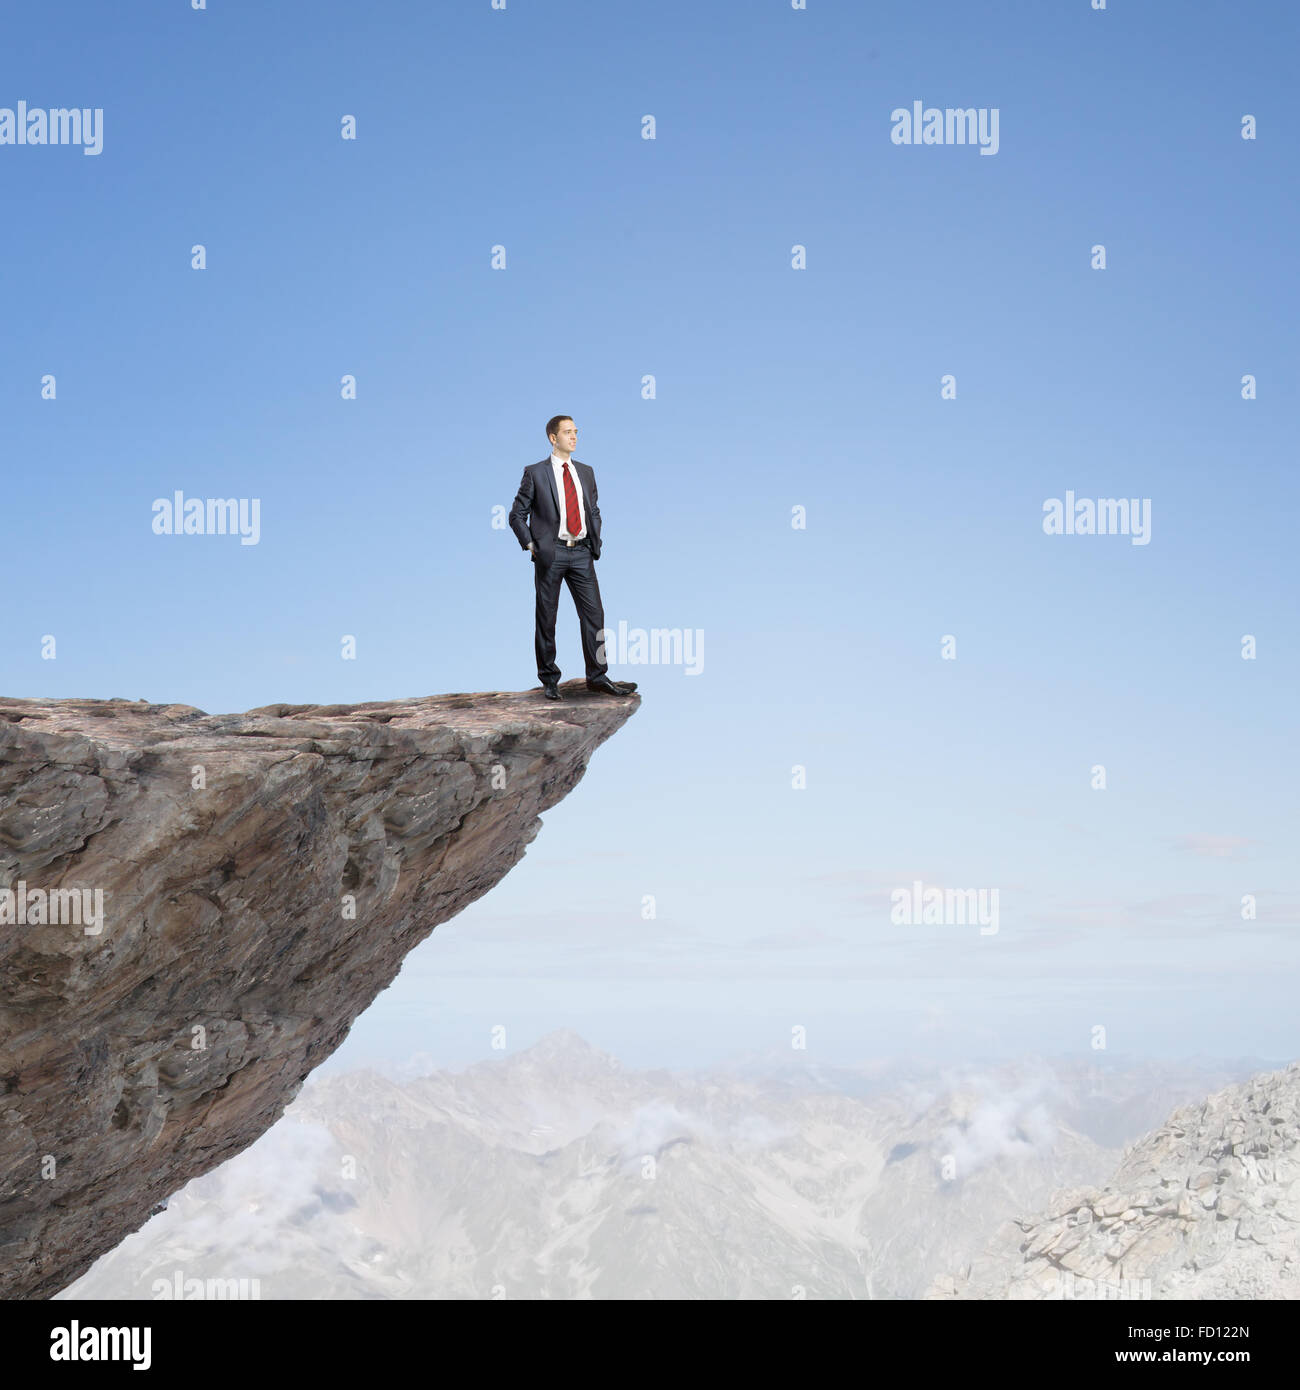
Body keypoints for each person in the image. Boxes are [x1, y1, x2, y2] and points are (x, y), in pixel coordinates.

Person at [508, 416, 637, 700]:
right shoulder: (535, 472)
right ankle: (550, 679)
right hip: (550, 553)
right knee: (547, 617)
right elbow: (516, 515)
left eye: (576, 432)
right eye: (568, 432)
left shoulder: (587, 471)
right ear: (553, 438)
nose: (574, 437)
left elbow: (594, 510)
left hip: (581, 552)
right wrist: (532, 545)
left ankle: (598, 676)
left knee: (594, 614)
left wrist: (595, 541)